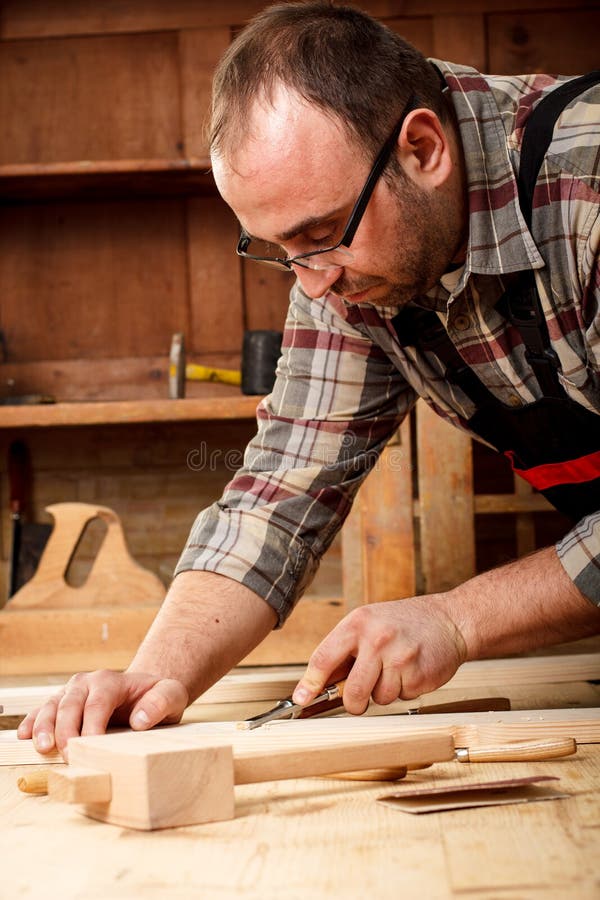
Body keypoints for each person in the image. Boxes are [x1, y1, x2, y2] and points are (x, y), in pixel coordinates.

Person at [19, 1, 600, 759]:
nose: (312, 284)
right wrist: (154, 677)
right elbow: (279, 494)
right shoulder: (348, 267)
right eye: (281, 249)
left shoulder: (586, 191)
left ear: (422, 149)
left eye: (321, 236)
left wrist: (458, 620)